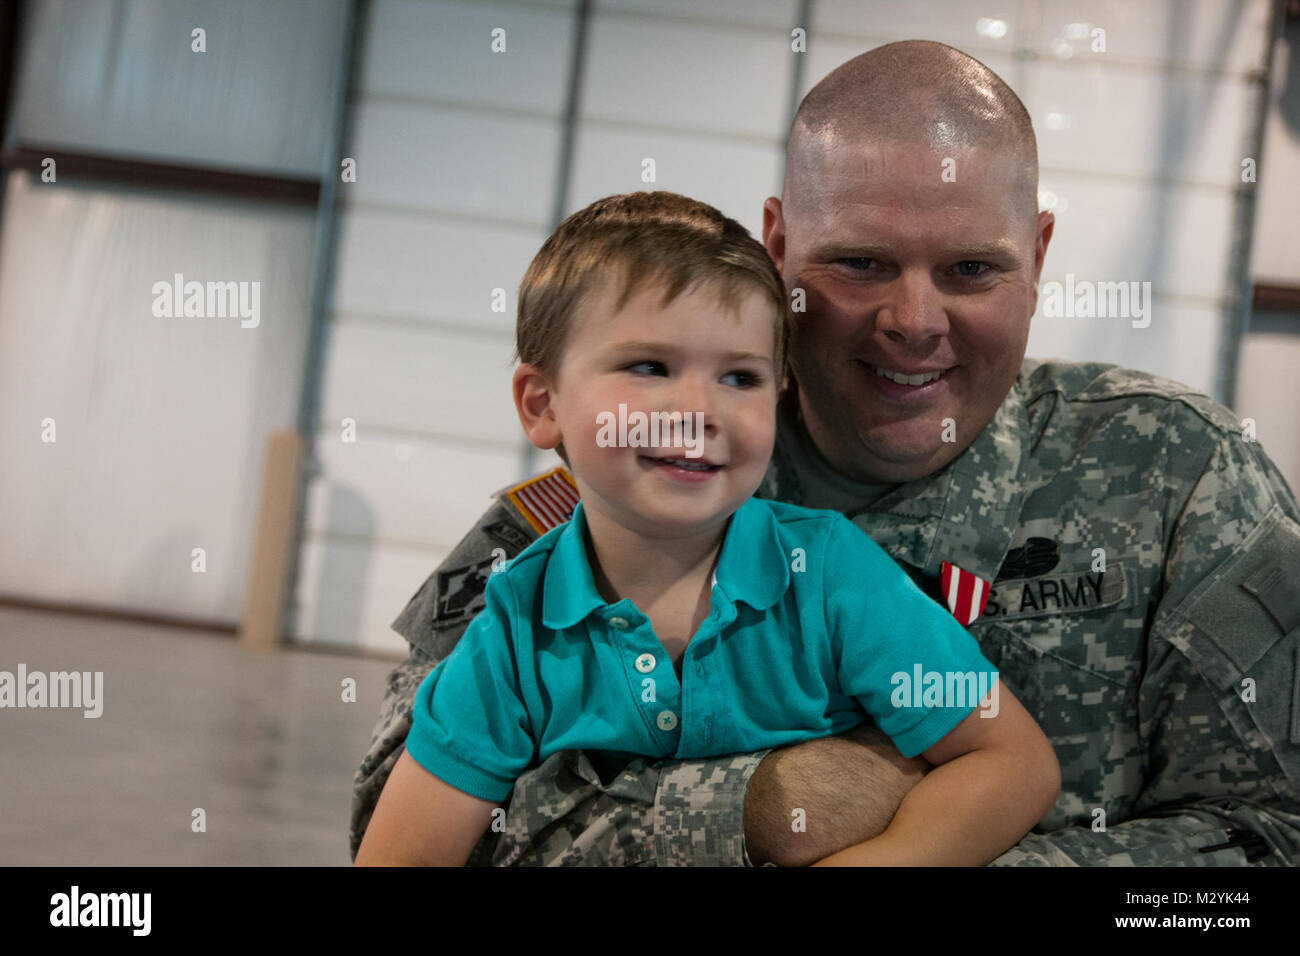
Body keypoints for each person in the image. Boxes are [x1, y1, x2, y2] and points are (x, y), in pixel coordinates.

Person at [350, 40, 1300, 866]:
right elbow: (395, 824)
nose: (914, 323)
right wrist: (761, 809)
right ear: (778, 248)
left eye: (971, 269)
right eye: (860, 264)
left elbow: (1265, 851)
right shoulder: (605, 508)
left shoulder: (1181, 480)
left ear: (1038, 257)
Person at [353, 191, 1061, 866]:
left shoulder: (830, 580)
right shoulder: (515, 629)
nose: (698, 410)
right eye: (650, 366)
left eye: (741, 378)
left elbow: (1008, 761)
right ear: (543, 404)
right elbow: (405, 852)